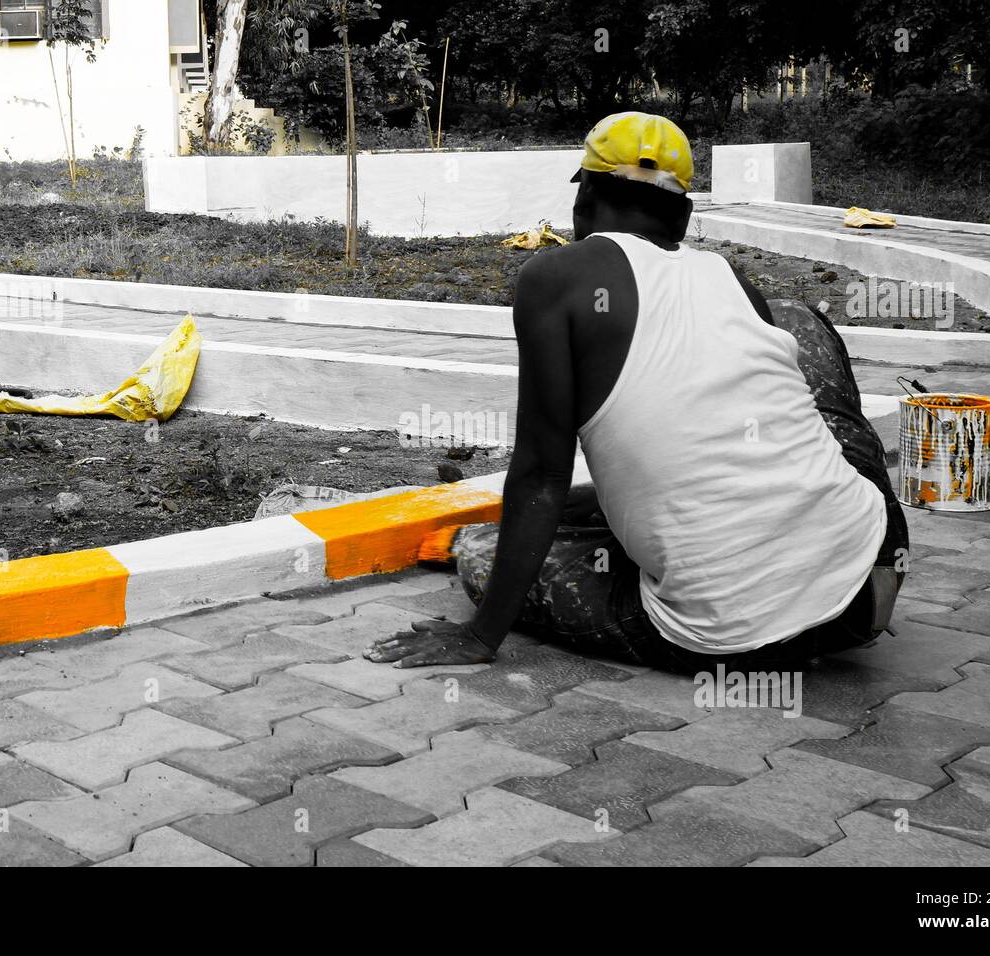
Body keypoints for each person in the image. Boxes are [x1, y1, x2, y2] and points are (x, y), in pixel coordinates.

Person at [366, 112, 908, 673]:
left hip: (728, 630)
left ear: (588, 196)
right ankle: (851, 546)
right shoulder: (731, 279)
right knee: (796, 321)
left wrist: (479, 637)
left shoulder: (554, 277)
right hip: (867, 580)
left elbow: (541, 475)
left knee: (480, 552)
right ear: (684, 215)